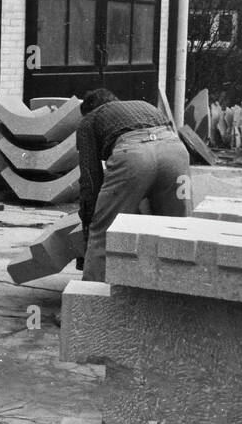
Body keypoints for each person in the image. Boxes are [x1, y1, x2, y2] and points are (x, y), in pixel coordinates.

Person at [77, 87, 191, 282]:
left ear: (89, 109)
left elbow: (90, 178)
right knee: (178, 227)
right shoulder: (145, 106)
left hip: (134, 156)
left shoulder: (89, 120)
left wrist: (89, 222)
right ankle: (179, 287)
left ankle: (92, 296)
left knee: (105, 232)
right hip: (176, 153)